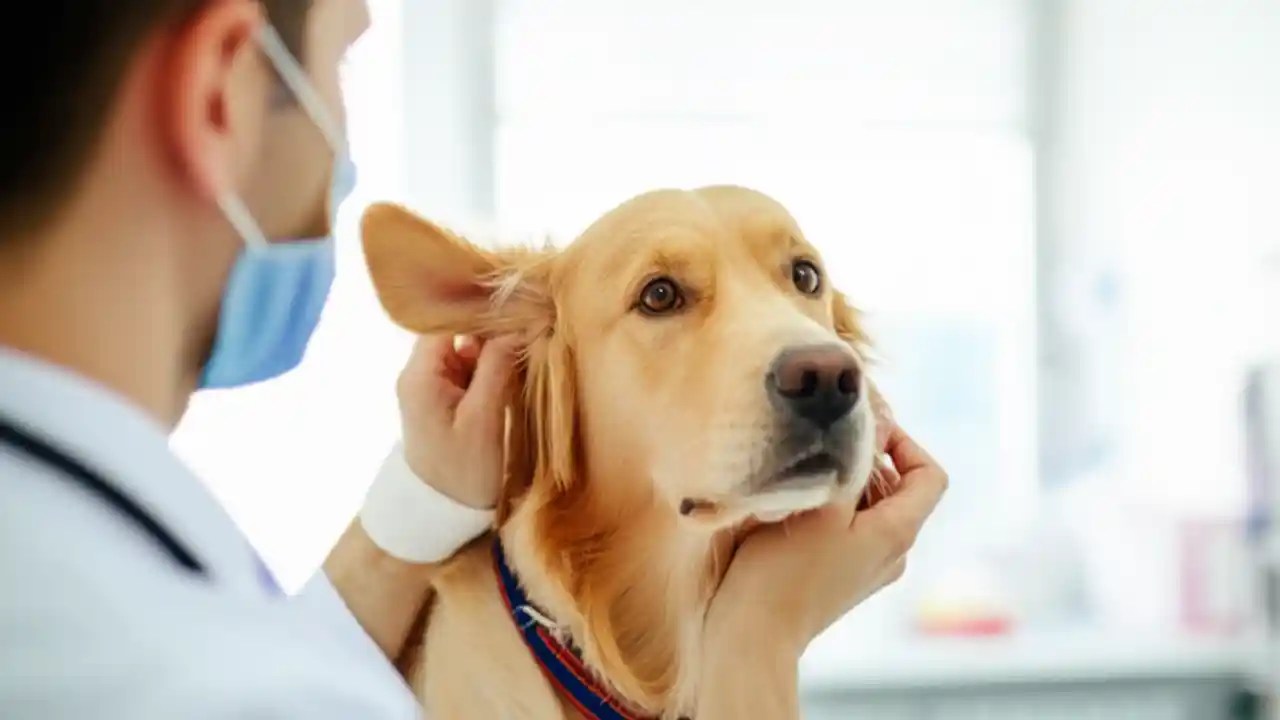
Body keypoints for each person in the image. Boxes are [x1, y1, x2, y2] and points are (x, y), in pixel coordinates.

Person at [0, 1, 947, 718]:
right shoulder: (189, 676)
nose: (811, 354)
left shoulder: (68, 568)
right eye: (343, 60)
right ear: (221, 95)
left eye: (802, 280)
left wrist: (416, 508)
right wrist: (759, 643)